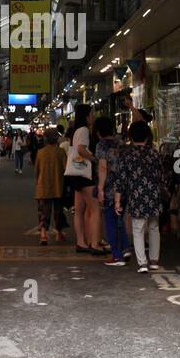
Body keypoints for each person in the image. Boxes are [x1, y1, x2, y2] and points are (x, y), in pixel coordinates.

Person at [114, 121, 169, 273]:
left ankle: (142, 263)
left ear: (130, 137)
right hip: (153, 195)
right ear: (147, 136)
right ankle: (154, 261)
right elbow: (161, 176)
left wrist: (117, 201)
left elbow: (120, 180)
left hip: (136, 196)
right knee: (154, 227)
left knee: (137, 229)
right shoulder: (154, 153)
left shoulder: (127, 154)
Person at [65, 104, 104, 254]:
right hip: (84, 175)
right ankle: (94, 244)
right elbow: (81, 149)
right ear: (86, 115)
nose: (93, 117)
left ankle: (81, 242)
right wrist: (94, 159)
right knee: (95, 209)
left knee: (79, 210)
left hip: (76, 174)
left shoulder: (76, 130)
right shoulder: (84, 130)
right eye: (92, 114)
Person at [93, 116, 126, 265]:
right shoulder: (121, 142)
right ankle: (125, 249)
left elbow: (102, 167)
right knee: (120, 219)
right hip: (123, 186)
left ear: (98, 132)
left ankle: (117, 255)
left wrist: (100, 188)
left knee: (110, 221)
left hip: (110, 188)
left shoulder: (101, 145)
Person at [35, 129, 67, 245]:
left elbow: (37, 171)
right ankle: (59, 234)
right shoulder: (61, 152)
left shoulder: (40, 153)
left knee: (44, 211)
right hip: (58, 186)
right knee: (58, 211)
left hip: (43, 186)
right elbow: (65, 169)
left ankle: (43, 235)